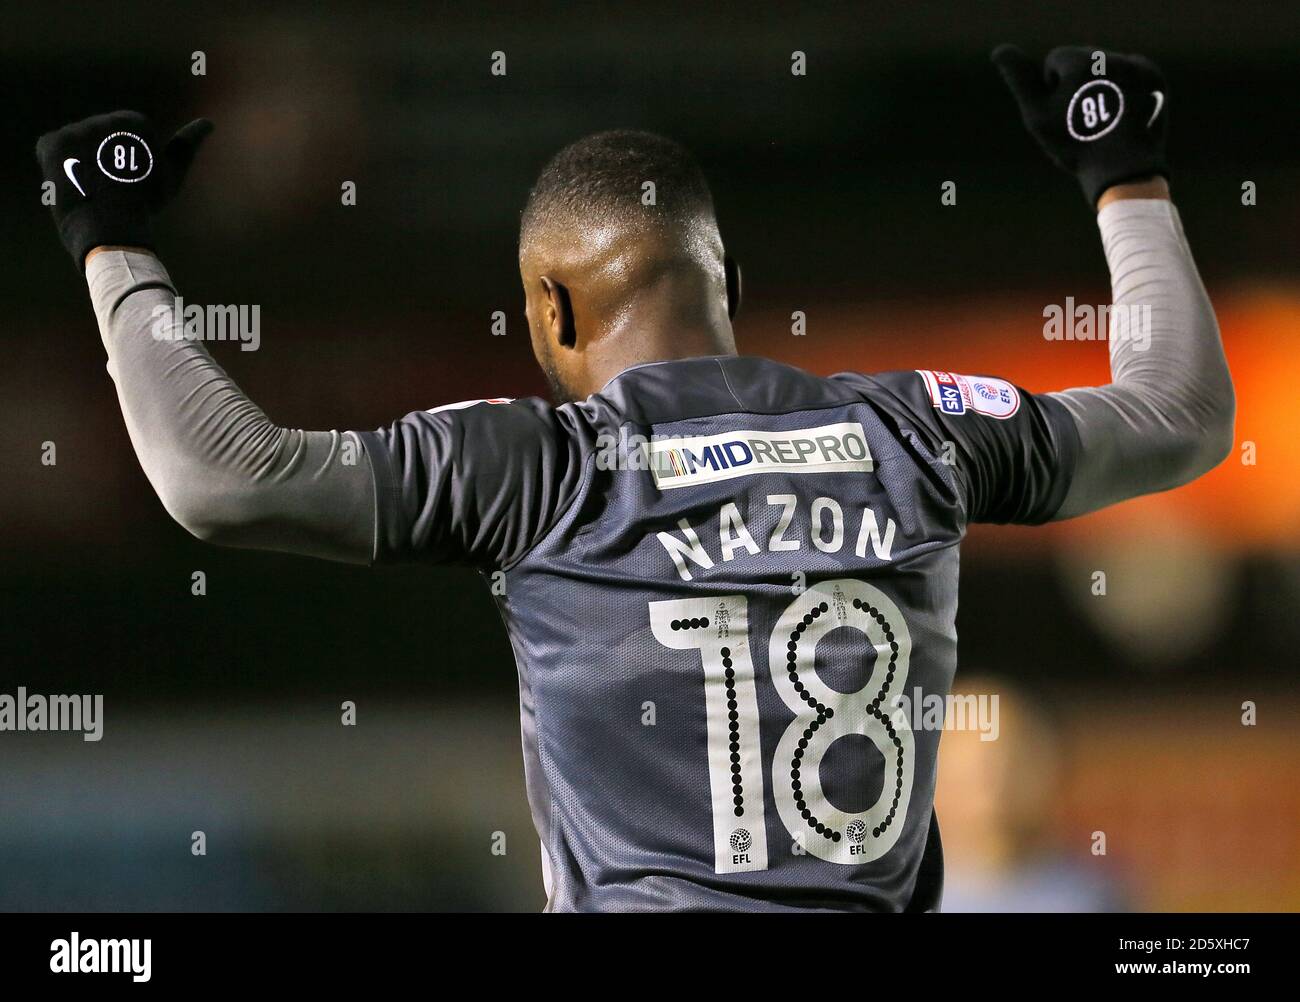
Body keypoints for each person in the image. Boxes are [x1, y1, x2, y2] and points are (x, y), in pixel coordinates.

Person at [35, 45, 1233, 911]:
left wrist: (113, 244)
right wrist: (1122, 169)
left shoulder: (544, 467)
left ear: (550, 309)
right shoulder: (914, 431)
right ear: (728, 282)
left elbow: (221, 477)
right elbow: (1178, 416)